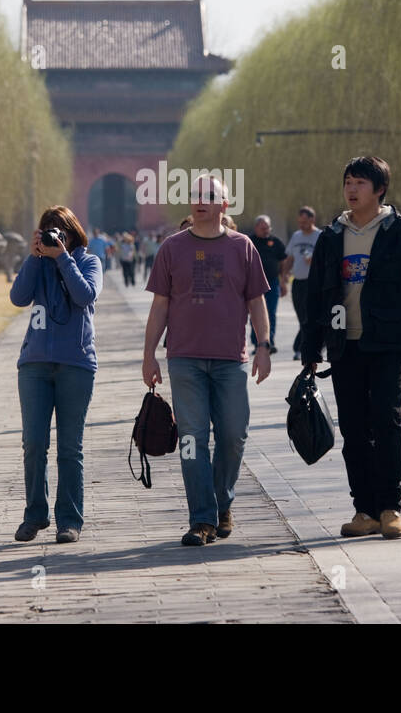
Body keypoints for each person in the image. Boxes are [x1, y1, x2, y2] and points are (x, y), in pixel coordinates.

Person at [303, 156, 401, 540]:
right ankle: (364, 510)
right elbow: (317, 295)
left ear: (379, 189)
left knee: (386, 420)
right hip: (344, 345)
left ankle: (390, 507)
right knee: (353, 429)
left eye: (360, 183)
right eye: (348, 182)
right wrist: (310, 345)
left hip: (389, 342)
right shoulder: (333, 235)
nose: (351, 190)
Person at [143, 174, 272, 546]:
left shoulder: (242, 247)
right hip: (184, 359)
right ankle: (201, 518)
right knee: (191, 439)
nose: (200, 201)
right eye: (195, 195)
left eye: (209, 196)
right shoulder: (172, 248)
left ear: (224, 205)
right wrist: (149, 354)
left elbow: (256, 300)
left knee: (233, 436)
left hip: (231, 360)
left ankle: (222, 503)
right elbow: (160, 306)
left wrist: (263, 346)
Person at [8, 206, 103, 543]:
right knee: (33, 443)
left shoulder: (89, 262)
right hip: (33, 364)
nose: (52, 236)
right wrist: (35, 258)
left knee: (69, 448)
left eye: (58, 230)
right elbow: (18, 297)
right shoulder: (38, 264)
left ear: (72, 232)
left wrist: (63, 258)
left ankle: (69, 521)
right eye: (46, 230)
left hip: (75, 364)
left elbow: (84, 295)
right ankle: (35, 515)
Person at [281, 206, 321, 360]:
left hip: (313, 283)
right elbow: (289, 258)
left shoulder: (319, 236)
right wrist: (284, 276)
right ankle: (305, 346)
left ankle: (301, 348)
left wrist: (315, 259)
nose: (301, 225)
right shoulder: (296, 236)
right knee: (301, 316)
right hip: (298, 283)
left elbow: (327, 260)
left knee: (308, 316)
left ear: (312, 220)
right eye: (299, 222)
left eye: (304, 222)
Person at [248, 214, 287, 354]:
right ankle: (257, 342)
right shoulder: (249, 241)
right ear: (256, 227)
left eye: (267, 227)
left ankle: (269, 342)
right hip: (254, 283)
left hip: (272, 282)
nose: (265, 230)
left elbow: (283, 261)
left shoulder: (275, 242)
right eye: (262, 227)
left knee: (271, 312)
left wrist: (283, 282)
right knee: (255, 313)